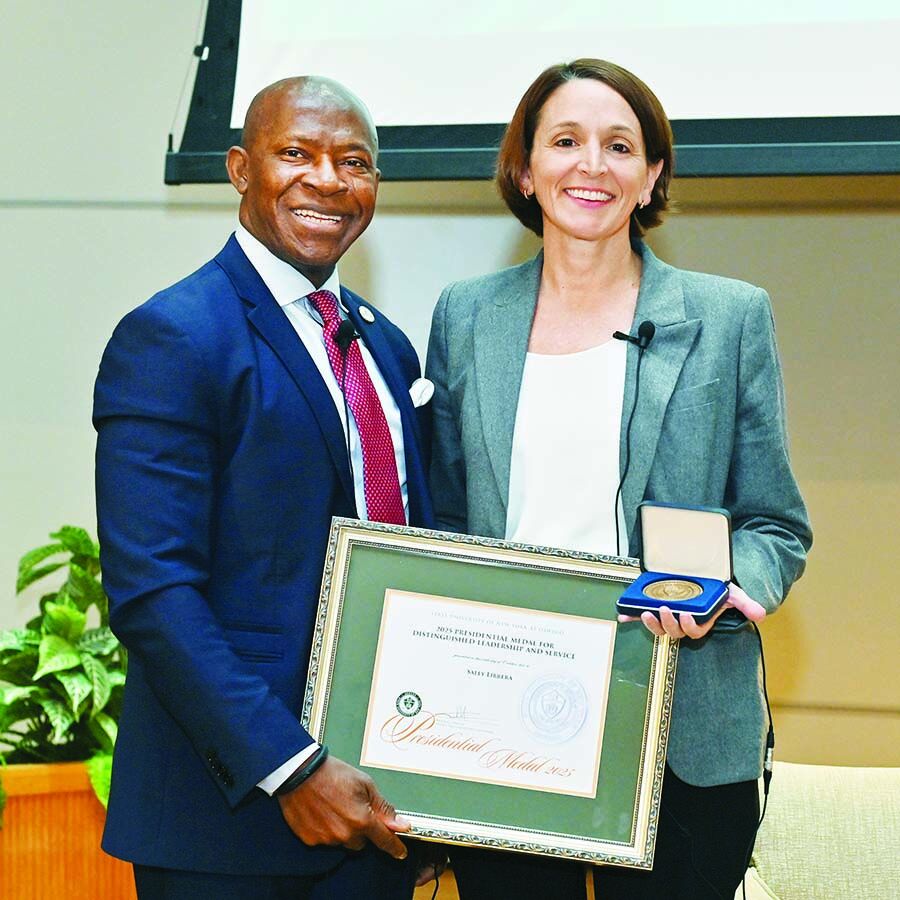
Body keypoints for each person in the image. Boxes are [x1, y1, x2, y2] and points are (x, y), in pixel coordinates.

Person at [426, 59, 812, 899]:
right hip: (507, 721)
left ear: (652, 176)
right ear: (526, 171)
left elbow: (776, 527)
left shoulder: (728, 316)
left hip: (685, 723)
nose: (591, 165)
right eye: (565, 141)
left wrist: (722, 589)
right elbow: (444, 518)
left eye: (619, 146)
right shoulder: (465, 315)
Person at [93, 76, 437, 899]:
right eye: (296, 153)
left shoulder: (387, 348)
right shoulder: (173, 336)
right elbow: (154, 592)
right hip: (230, 822)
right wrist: (291, 769)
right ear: (241, 169)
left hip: (374, 809)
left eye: (353, 162)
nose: (327, 179)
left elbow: (421, 557)